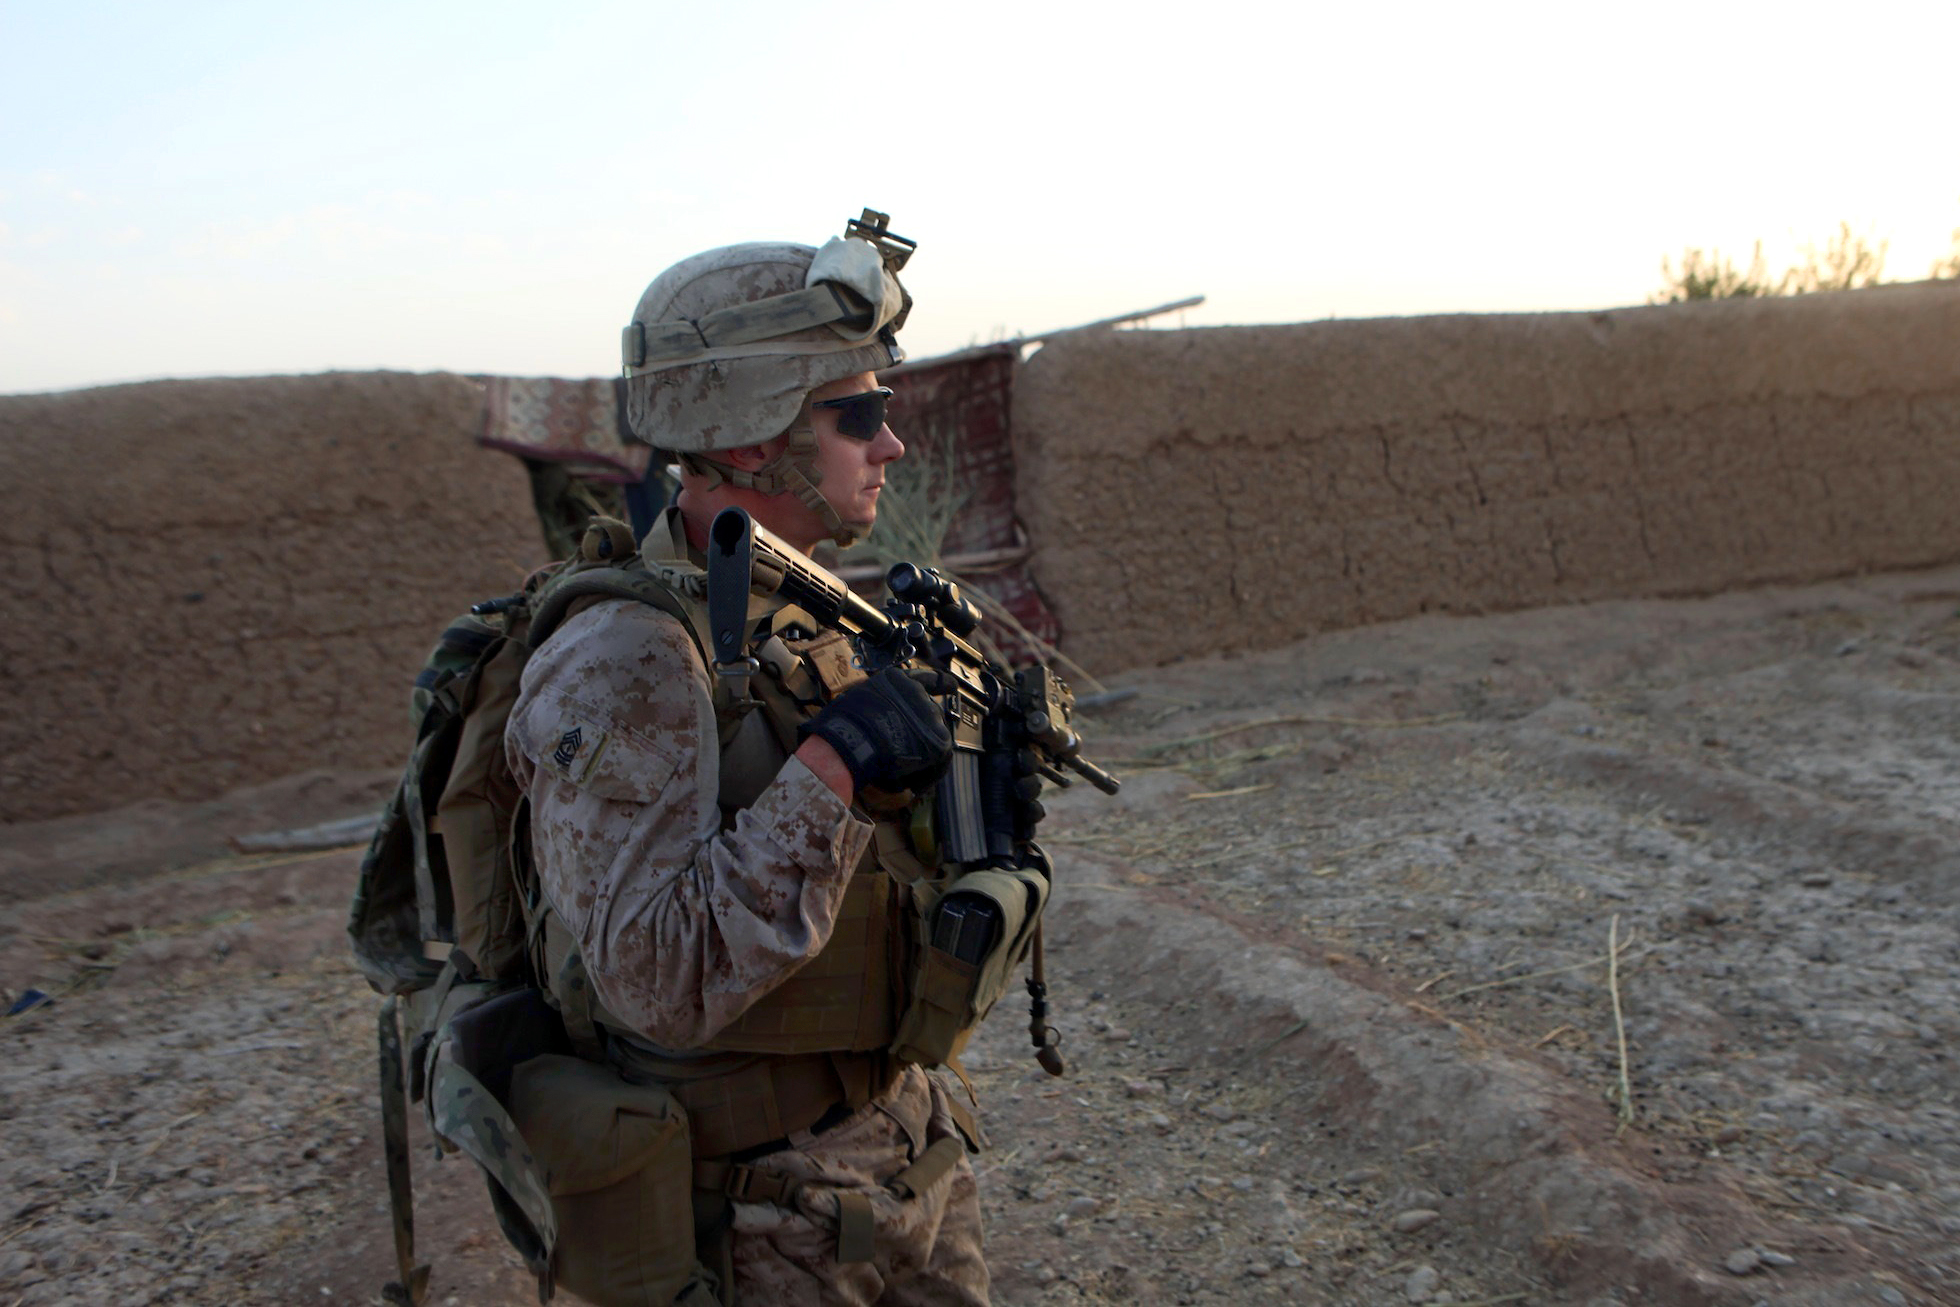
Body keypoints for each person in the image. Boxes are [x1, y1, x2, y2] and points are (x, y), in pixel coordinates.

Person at [503, 213, 991, 1306]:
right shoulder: (626, 656)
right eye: (857, 414)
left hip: (899, 1151)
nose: (890, 444)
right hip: (769, 1218)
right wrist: (835, 766)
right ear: (746, 433)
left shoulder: (796, 601)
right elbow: (653, 978)